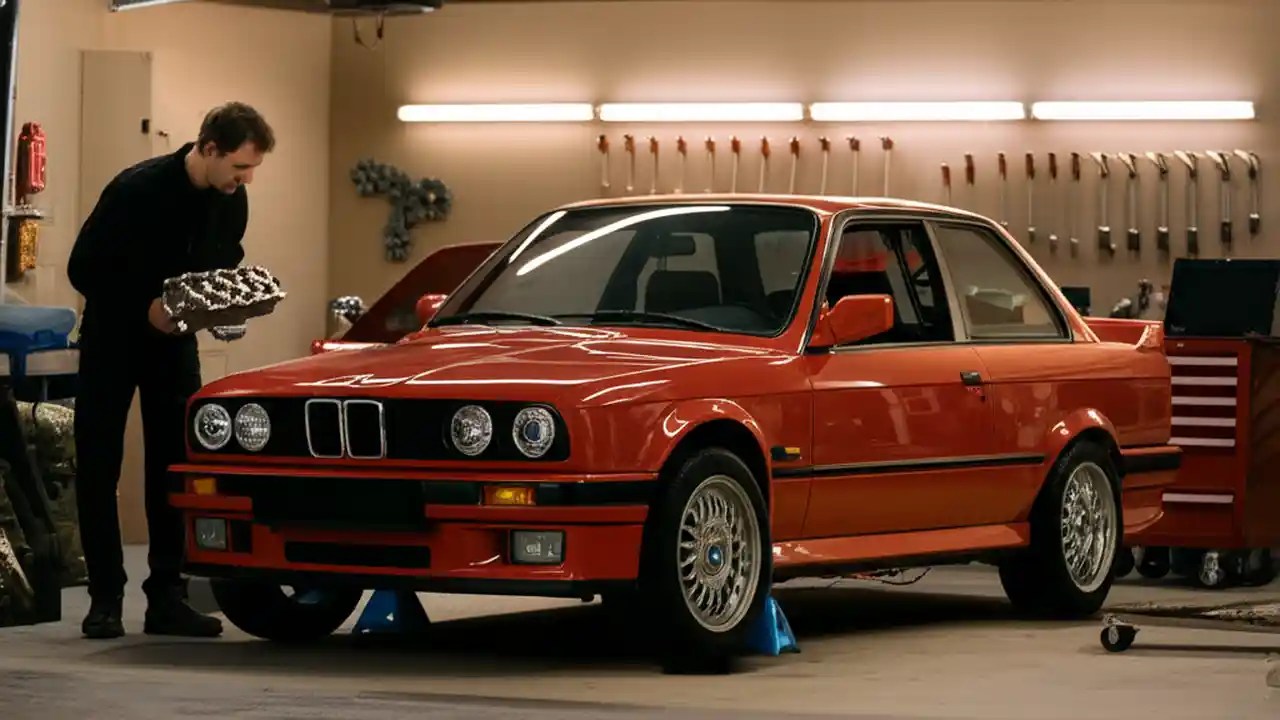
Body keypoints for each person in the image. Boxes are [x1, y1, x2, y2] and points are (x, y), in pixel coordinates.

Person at [66, 101, 274, 639]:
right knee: (98, 465)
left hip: (174, 342)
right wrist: (144, 307)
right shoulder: (136, 190)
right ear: (208, 149)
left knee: (175, 466)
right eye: (238, 167)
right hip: (113, 337)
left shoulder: (232, 200)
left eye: (251, 170)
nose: (244, 180)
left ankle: (167, 596)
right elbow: (82, 267)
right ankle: (105, 598)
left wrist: (224, 308)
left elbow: (222, 261)